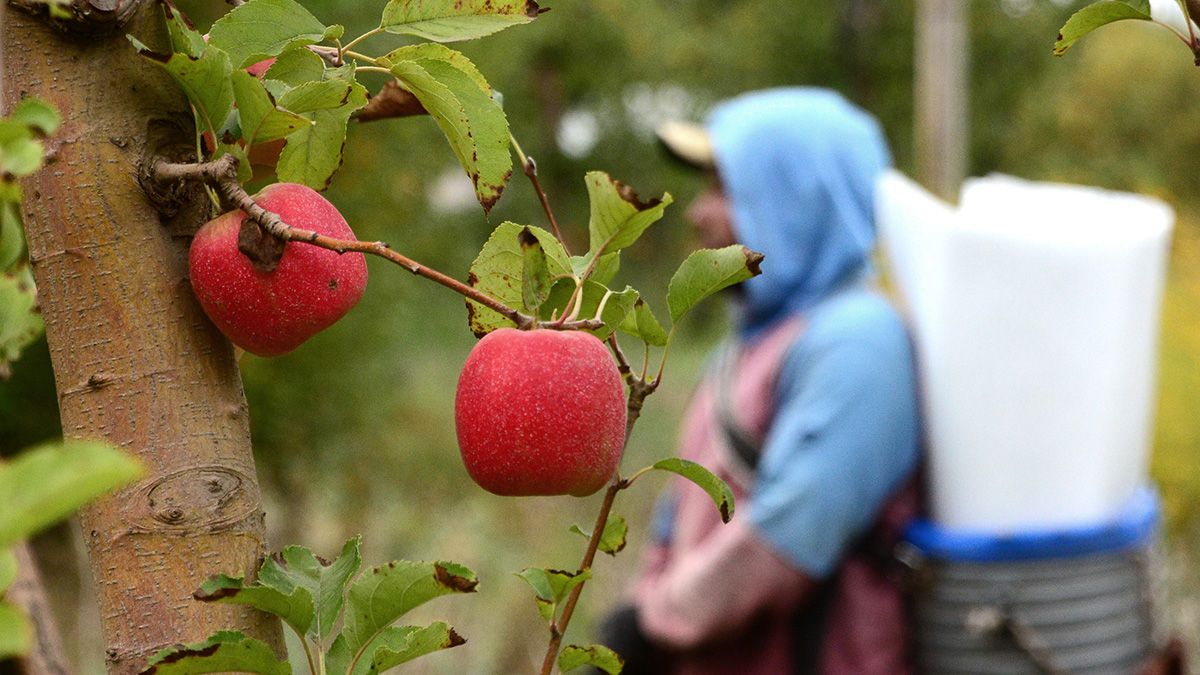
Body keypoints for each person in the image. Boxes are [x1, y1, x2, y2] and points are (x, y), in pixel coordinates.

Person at [598, 88, 922, 675]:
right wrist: (643, 605)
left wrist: (650, 625)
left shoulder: (858, 341)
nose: (698, 212)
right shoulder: (756, 340)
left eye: (725, 188)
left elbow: (790, 537)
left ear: (795, 196)